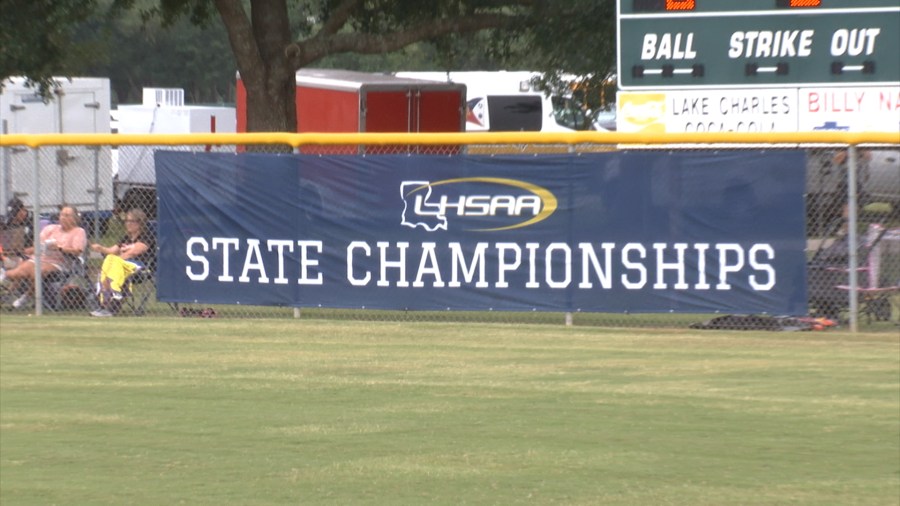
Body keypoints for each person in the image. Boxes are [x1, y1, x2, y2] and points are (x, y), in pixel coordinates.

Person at [4, 205, 87, 309]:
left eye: (67, 215)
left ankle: (25, 297)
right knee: (18, 271)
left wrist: (59, 248)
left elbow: (77, 251)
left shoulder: (78, 231)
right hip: (40, 258)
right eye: (61, 215)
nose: (63, 218)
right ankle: (4, 279)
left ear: (75, 218)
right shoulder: (50, 228)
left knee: (38, 272)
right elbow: (37, 246)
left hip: (59, 263)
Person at [90, 208, 155, 317]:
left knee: (114, 261)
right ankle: (111, 299)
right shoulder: (126, 237)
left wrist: (119, 257)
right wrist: (101, 248)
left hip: (139, 267)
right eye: (126, 221)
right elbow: (112, 251)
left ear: (139, 223)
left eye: (131, 221)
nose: (127, 224)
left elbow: (134, 252)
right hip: (121, 267)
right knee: (111, 258)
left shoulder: (146, 236)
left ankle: (107, 299)